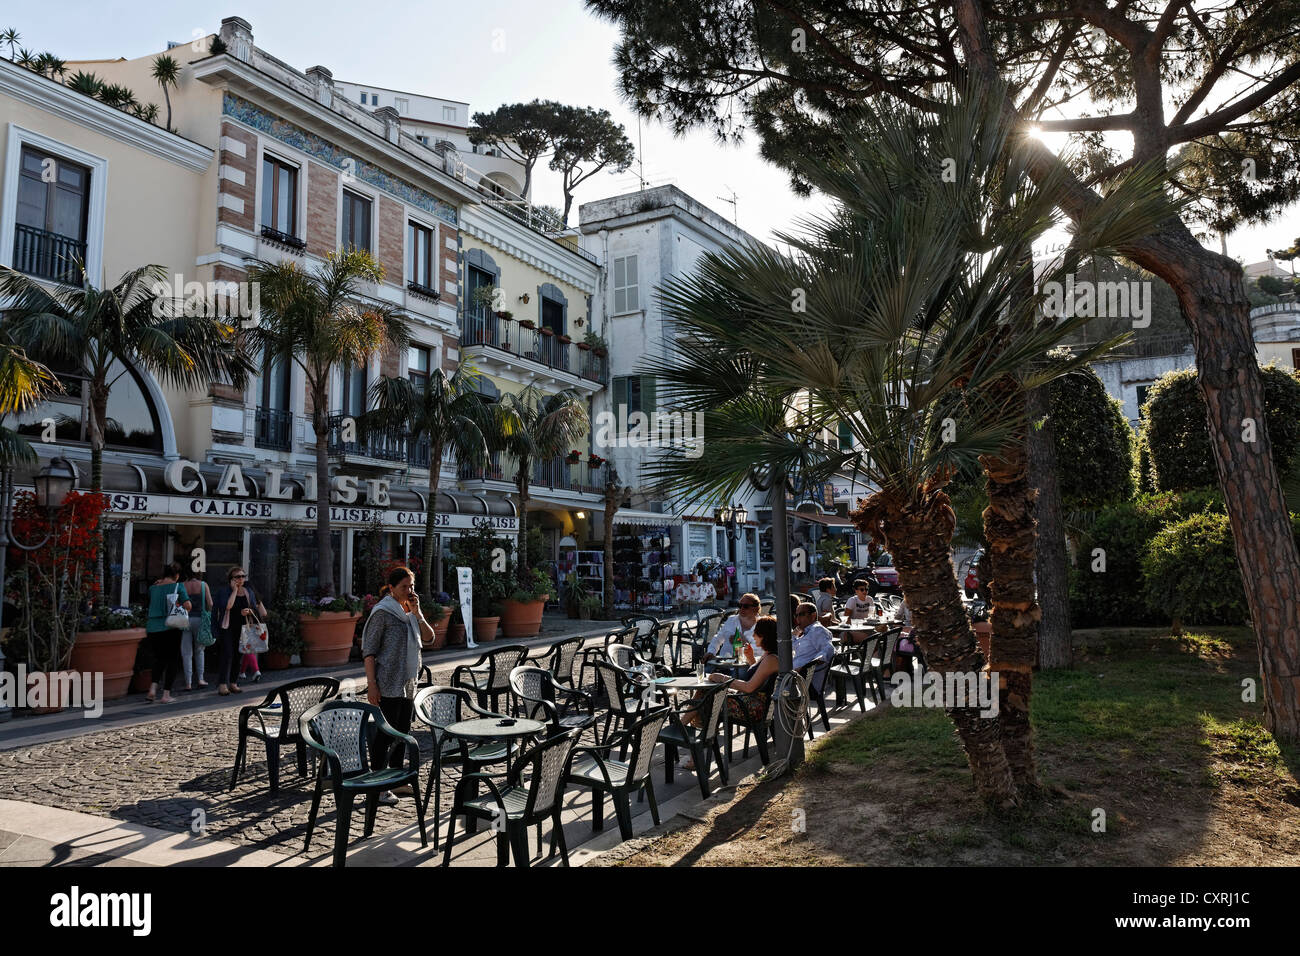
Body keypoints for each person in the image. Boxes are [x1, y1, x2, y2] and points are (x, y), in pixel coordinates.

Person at [363, 566, 434, 805]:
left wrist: (418, 612)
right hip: (387, 682)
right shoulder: (382, 612)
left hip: (408, 682)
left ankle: (398, 779)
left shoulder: (410, 611)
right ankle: (379, 784)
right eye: (404, 587)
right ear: (391, 588)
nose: (409, 591)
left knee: (403, 731)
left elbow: (429, 637)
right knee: (385, 734)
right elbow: (369, 652)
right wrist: (372, 684)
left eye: (411, 586)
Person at [213, 567, 266, 696]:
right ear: (231, 579)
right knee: (227, 654)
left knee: (238, 655)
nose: (241, 579)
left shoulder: (248, 592)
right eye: (237, 577)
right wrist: (235, 590)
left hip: (243, 628)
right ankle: (222, 684)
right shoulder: (224, 591)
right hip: (227, 627)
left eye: (243, 576)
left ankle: (233, 683)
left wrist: (249, 611)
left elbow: (254, 608)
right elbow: (228, 606)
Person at [144, 562, 191, 704]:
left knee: (158, 659)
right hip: (171, 626)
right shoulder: (178, 586)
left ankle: (152, 689)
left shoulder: (153, 588)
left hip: (153, 627)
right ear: (176, 575)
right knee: (172, 660)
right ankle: (166, 694)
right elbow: (188, 605)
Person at [792, 601, 836, 694]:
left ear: (813, 615)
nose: (797, 618)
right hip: (797, 677)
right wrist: (794, 635)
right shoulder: (807, 632)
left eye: (801, 614)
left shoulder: (817, 629)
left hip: (806, 682)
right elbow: (793, 648)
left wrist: (807, 666)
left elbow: (829, 649)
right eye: (796, 615)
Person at [180, 568, 212, 691]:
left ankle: (188, 683)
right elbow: (210, 603)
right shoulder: (203, 585)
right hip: (200, 620)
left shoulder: (182, 585)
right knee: (199, 650)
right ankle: (200, 679)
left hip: (185, 620)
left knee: (186, 652)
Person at [706, 593, 762, 664]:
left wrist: (744, 643)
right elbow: (717, 638)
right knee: (707, 671)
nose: (741, 609)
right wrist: (711, 652)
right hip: (724, 663)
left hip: (746, 666)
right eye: (740, 605)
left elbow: (761, 653)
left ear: (756, 608)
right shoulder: (731, 620)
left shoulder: (762, 625)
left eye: (745, 606)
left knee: (741, 673)